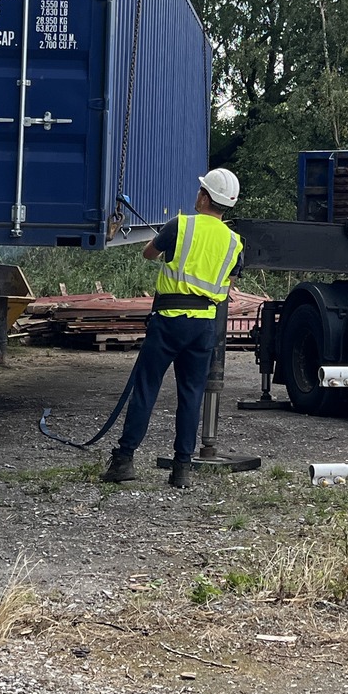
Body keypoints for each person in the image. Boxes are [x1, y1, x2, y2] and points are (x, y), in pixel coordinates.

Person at [102, 168, 244, 488]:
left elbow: (148, 254)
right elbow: (228, 284)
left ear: (206, 197)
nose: (197, 194)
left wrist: (169, 247)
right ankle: (182, 470)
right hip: (205, 326)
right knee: (191, 395)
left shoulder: (181, 225)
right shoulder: (234, 242)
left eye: (201, 190)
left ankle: (124, 460)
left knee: (147, 388)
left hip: (168, 320)